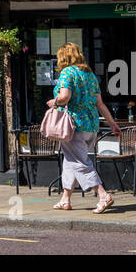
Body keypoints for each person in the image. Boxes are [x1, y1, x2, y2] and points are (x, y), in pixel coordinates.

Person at [47, 42, 122, 213]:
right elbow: (100, 104)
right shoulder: (89, 75)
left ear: (63, 57)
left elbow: (65, 96)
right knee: (71, 161)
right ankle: (65, 199)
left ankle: (103, 195)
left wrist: (54, 102)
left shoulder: (67, 73)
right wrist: (112, 123)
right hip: (91, 126)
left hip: (73, 126)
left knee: (80, 162)